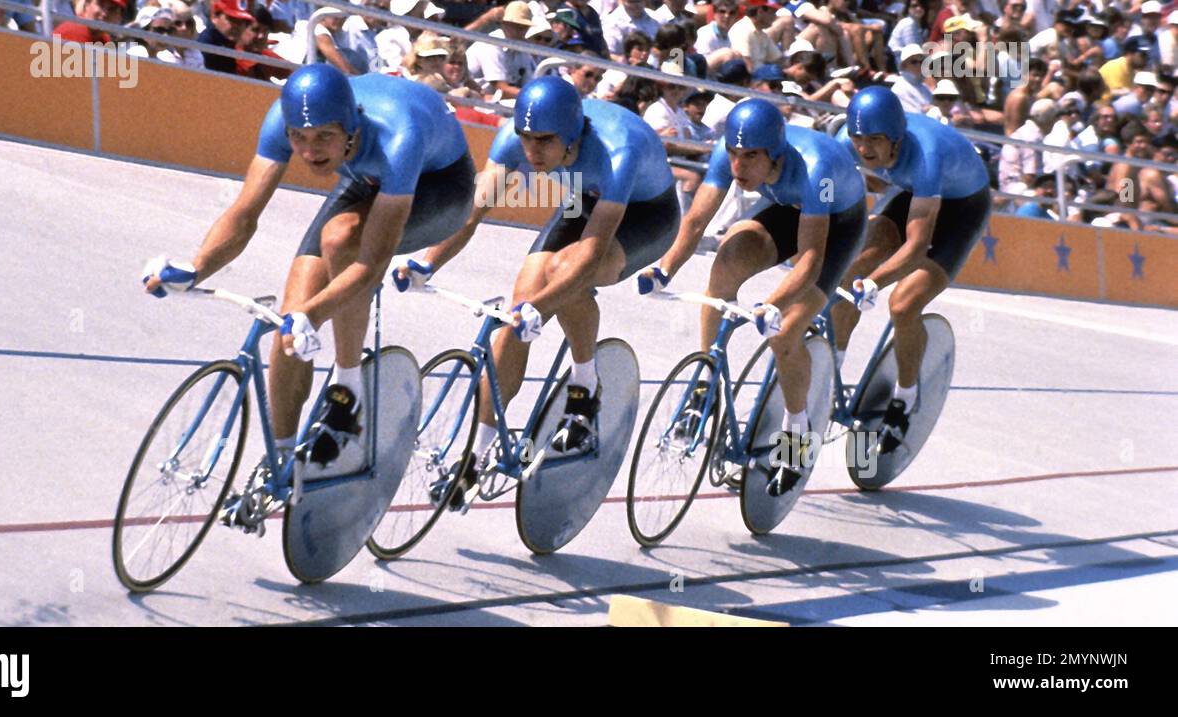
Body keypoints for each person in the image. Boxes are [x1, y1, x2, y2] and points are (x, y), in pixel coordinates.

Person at [142, 66, 476, 474]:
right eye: (298, 138)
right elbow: (245, 213)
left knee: (341, 241)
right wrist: (195, 268)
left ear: (351, 126)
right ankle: (281, 461)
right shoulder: (286, 119)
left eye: (322, 138)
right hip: (366, 175)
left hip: (440, 186)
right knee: (290, 319)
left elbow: (370, 264)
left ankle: (346, 391)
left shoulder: (398, 137)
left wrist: (315, 317)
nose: (309, 151)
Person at [396, 75, 680, 504]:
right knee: (516, 315)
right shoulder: (518, 142)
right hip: (584, 198)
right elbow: (471, 212)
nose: (531, 153)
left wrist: (542, 306)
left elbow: (591, 253)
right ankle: (477, 455)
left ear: (572, 135)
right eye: (525, 139)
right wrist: (426, 262)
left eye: (544, 142)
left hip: (646, 213)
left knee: (567, 275)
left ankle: (585, 390)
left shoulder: (619, 150)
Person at [639, 98, 868, 496]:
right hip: (786, 207)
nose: (738, 167)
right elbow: (695, 220)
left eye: (750, 157)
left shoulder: (820, 170)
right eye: (733, 155)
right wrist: (663, 269)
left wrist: (772, 305)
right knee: (728, 258)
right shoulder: (730, 155)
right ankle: (704, 381)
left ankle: (797, 440)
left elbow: (811, 258)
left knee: (785, 333)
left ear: (774, 154)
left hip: (836, 222)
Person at [831, 86, 992, 456]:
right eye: (858, 138)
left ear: (896, 138)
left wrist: (873, 283)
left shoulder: (926, 154)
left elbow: (916, 247)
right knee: (848, 271)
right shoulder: (846, 141)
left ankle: (905, 397)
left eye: (874, 140)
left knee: (903, 303)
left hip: (962, 208)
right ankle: (831, 368)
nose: (864, 148)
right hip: (914, 192)